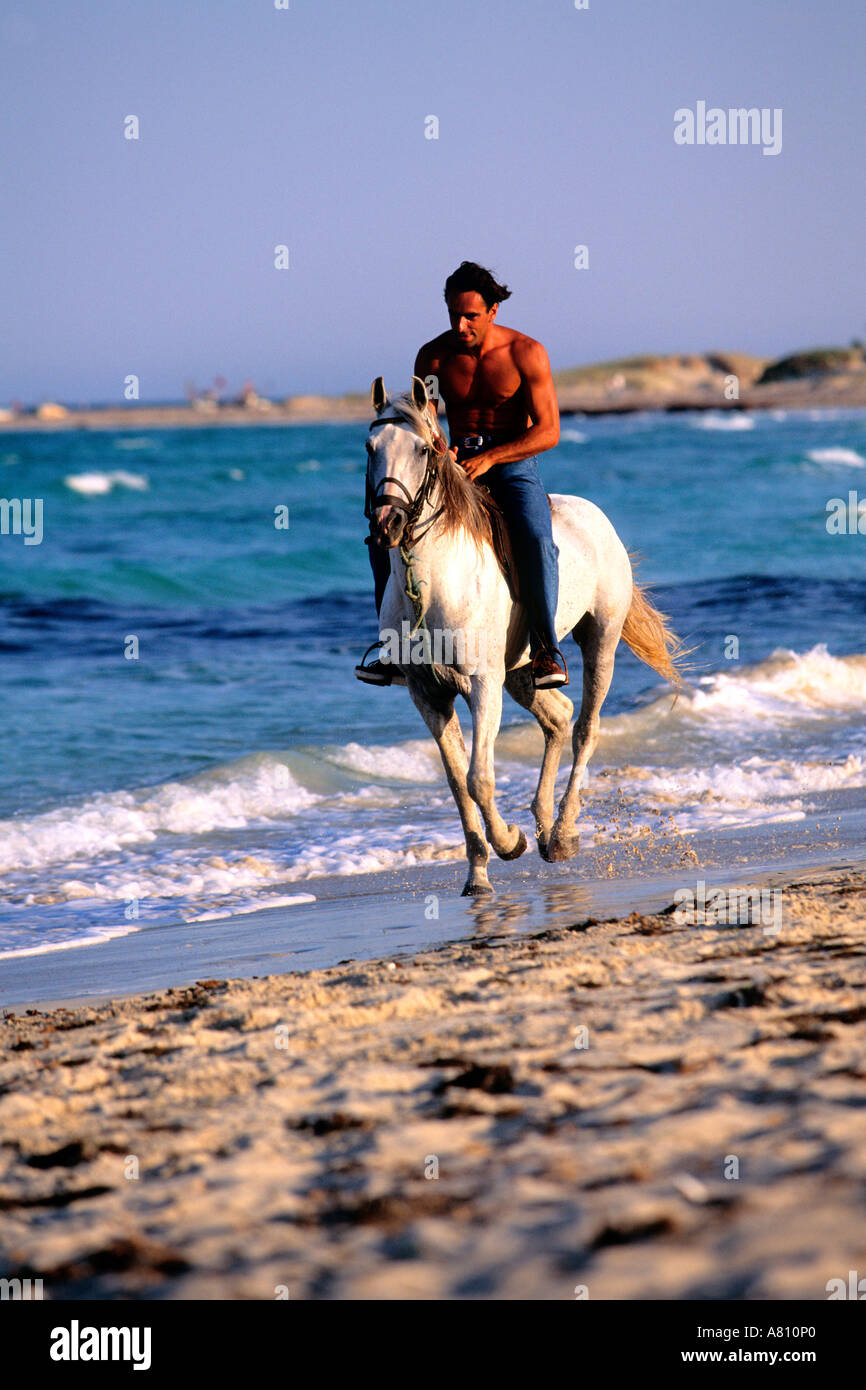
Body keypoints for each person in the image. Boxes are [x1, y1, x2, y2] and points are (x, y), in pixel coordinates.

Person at [357, 260, 568, 689]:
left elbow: (549, 431)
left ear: (493, 311)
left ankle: (546, 651)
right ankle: (392, 647)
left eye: (471, 315)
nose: (461, 324)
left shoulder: (525, 353)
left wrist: (493, 460)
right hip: (455, 466)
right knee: (384, 530)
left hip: (512, 466)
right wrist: (441, 448)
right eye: (454, 314)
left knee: (534, 537)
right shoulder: (433, 357)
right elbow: (427, 419)